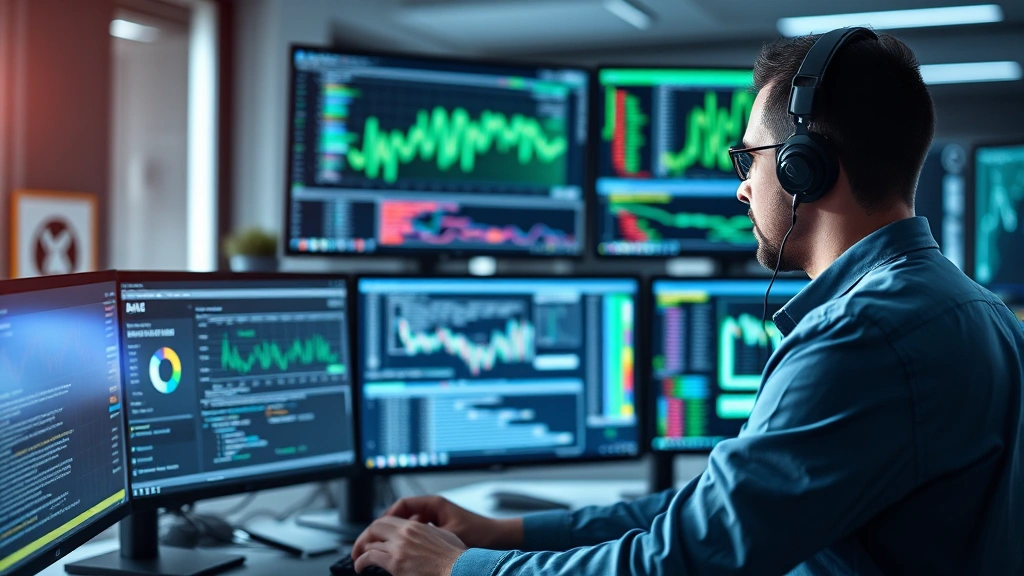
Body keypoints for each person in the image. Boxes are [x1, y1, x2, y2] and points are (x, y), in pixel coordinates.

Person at [350, 29, 1024, 576]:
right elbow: (721, 512)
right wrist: (508, 533)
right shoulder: (974, 308)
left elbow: (684, 560)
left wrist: (458, 569)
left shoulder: (863, 337)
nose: (741, 188)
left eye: (749, 159)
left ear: (805, 167)